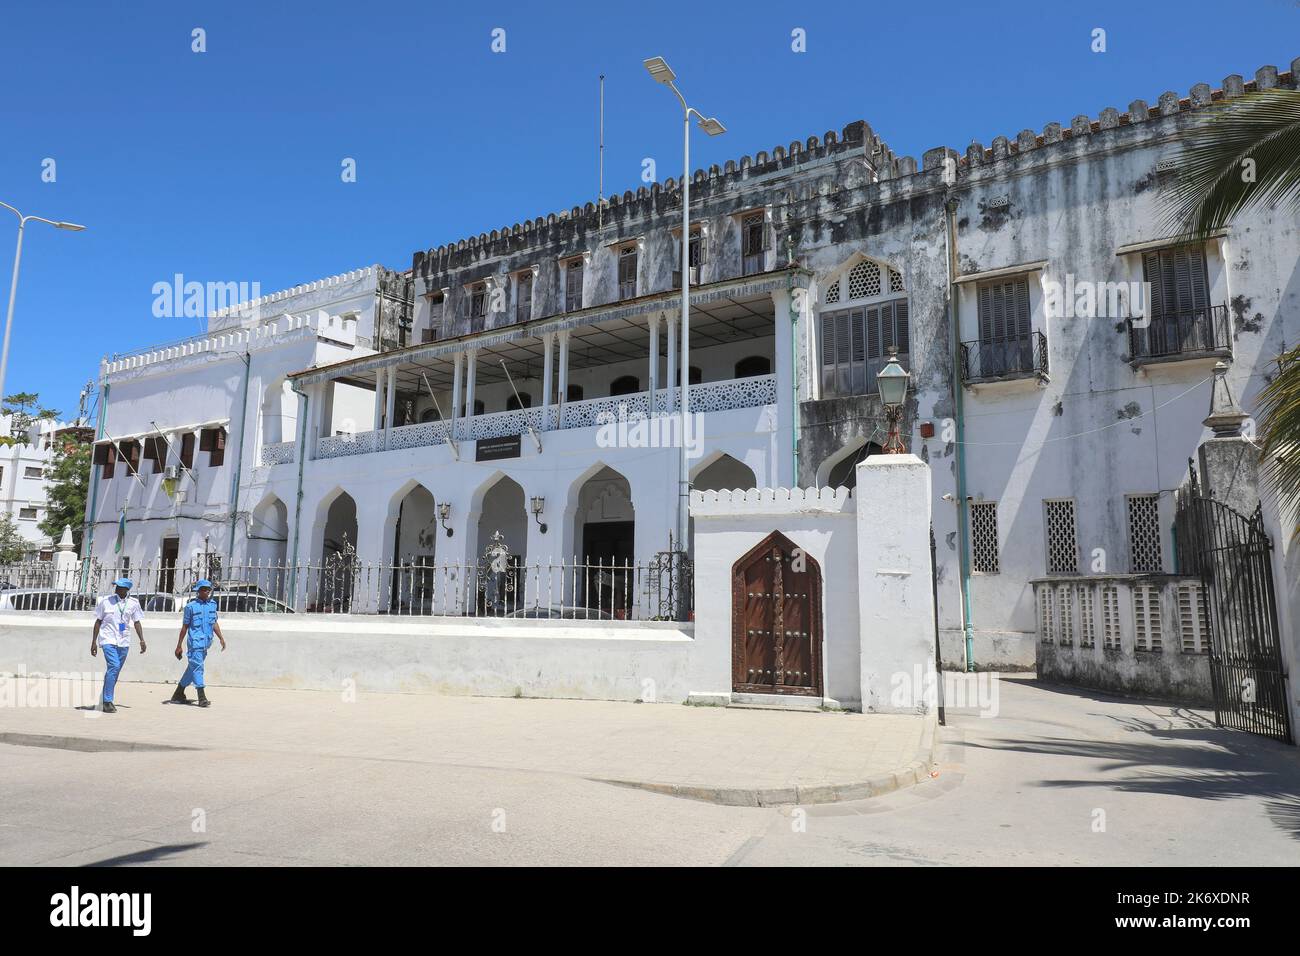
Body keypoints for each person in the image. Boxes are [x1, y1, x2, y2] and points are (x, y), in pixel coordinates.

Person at [91, 577, 146, 713]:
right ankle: (108, 701)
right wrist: (93, 642)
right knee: (114, 666)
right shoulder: (106, 602)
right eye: (116, 586)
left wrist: (142, 640)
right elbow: (98, 622)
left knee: (114, 671)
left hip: (124, 641)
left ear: (126, 590)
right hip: (108, 639)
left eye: (120, 587)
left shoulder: (133, 603)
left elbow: (137, 622)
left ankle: (105, 698)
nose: (117, 589)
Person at [171, 580, 225, 707]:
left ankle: (178, 693)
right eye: (204, 589)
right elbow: (185, 627)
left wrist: (221, 638)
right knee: (198, 668)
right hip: (195, 643)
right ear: (198, 591)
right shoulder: (191, 607)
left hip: (206, 643)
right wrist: (179, 645)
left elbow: (214, 623)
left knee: (192, 669)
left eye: (208, 589)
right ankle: (202, 697)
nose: (207, 591)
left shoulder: (212, 605)